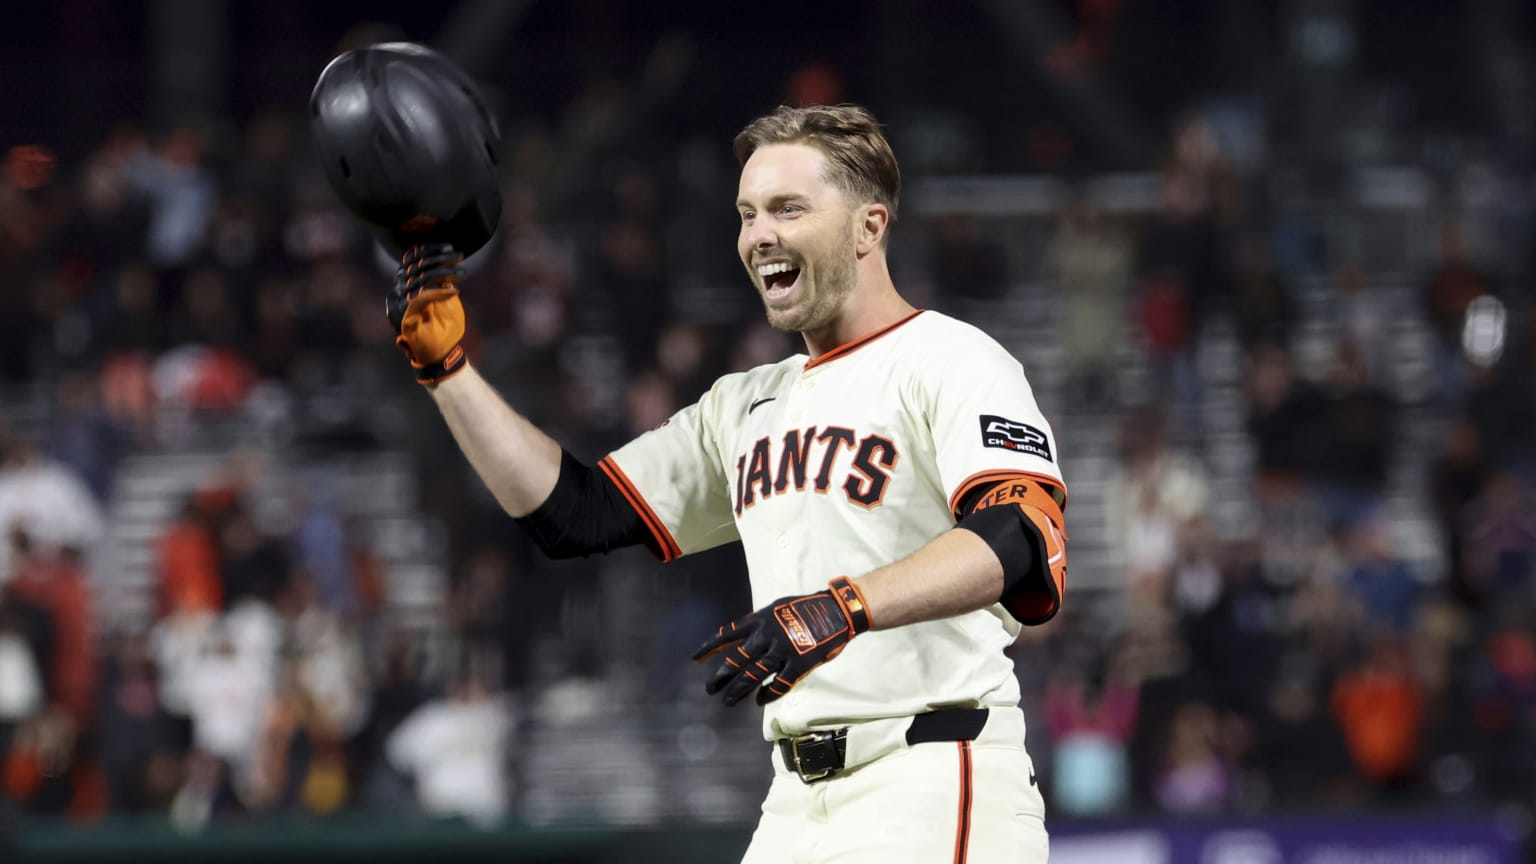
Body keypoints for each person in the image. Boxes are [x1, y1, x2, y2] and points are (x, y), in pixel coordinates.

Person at [385, 104, 1066, 862]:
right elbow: (572, 513)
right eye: (746, 214)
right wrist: (449, 373)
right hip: (795, 800)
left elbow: (1021, 537)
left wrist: (844, 607)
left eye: (787, 208)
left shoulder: (950, 358)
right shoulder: (743, 404)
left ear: (870, 227)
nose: (758, 235)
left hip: (933, 771)